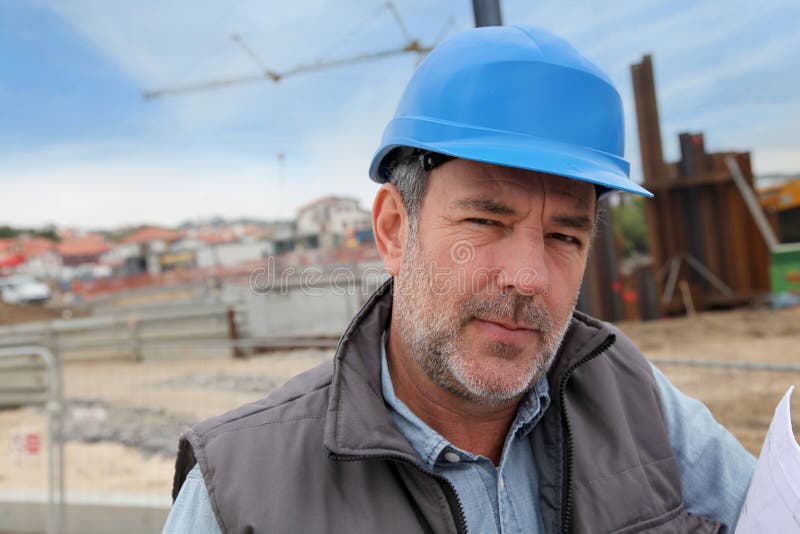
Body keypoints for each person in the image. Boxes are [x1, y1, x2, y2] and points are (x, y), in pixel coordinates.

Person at [163, 25, 754, 534]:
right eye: (486, 222)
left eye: (564, 237)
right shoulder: (239, 491)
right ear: (395, 229)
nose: (527, 277)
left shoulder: (637, 401)